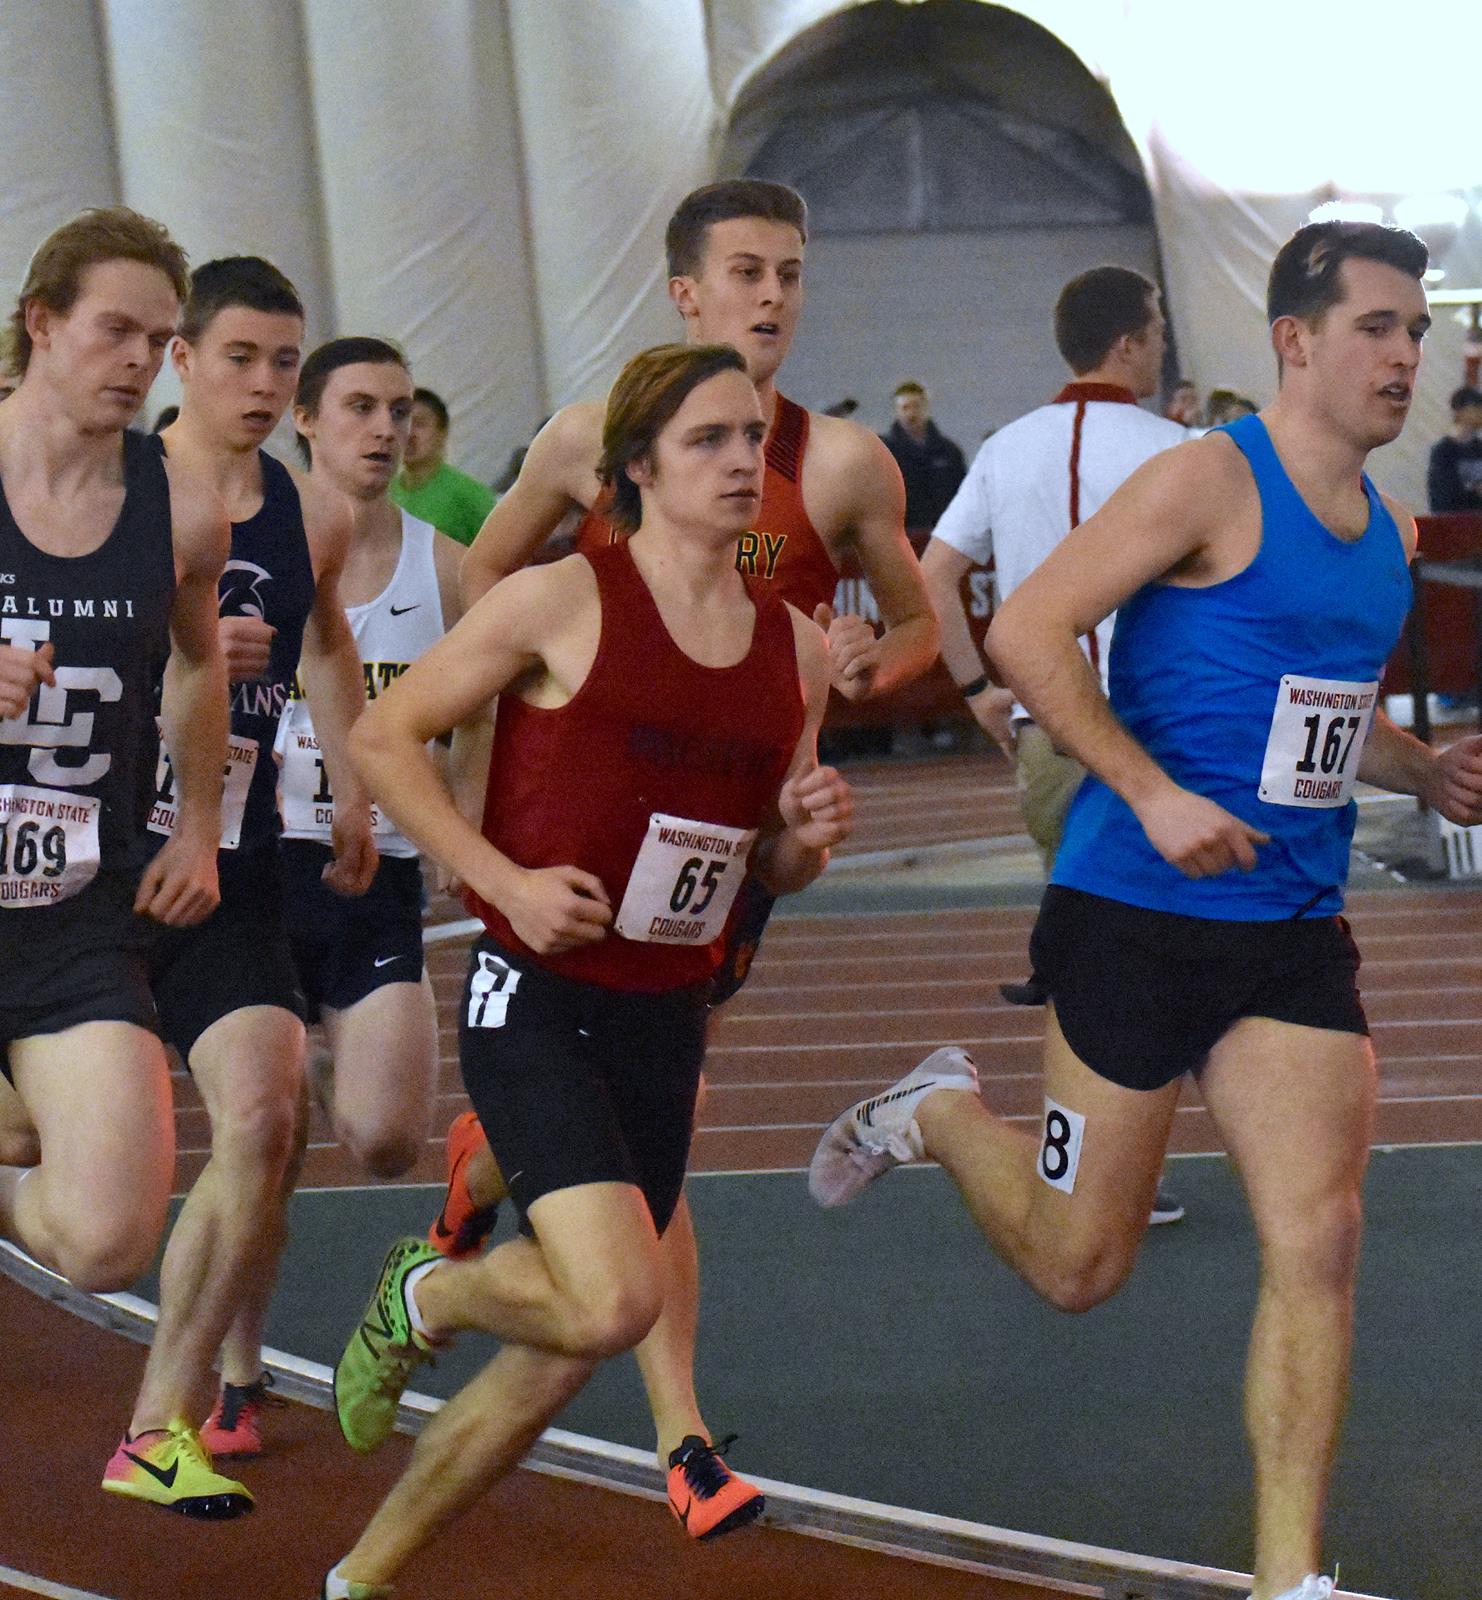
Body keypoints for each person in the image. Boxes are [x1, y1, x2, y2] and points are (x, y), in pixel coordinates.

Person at [811, 220, 1482, 1600]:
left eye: (1417, 330)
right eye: (1375, 326)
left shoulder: (1387, 530)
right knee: (1077, 1268)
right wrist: (1148, 790)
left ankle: (1287, 1576)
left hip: (1289, 927)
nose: (1406, 353)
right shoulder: (1200, 483)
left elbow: (1322, 721)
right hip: (1132, 907)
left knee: (1319, 1236)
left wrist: (1428, 771)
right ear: (1293, 342)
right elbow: (1021, 629)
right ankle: (937, 1110)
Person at [428, 177, 937, 1531]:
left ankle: (483, 1169)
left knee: (637, 1109)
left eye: (791, 270)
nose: (774, 294)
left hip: (725, 839)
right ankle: (682, 1436)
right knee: (663, 1129)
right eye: (747, 272)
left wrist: (849, 680)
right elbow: (483, 582)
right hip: (581, 840)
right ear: (686, 296)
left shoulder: (838, 466)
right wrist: (514, 747)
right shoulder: (593, 438)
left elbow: (916, 620)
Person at [318, 343, 851, 1600]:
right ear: (637, 470)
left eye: (753, 444)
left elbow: (767, 863)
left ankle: (358, 1578)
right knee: (612, 1304)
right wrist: (498, 878)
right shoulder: (561, 600)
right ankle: (431, 1291)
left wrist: (801, 840)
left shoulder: (801, 652)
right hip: (536, 999)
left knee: (562, 1349)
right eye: (709, 440)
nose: (740, 465)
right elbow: (383, 735)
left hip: (668, 1014)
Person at [103, 258, 378, 1518]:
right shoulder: (113, 489)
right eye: (241, 359)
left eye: (285, 362)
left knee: (272, 1116)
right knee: (70, 1185)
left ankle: (162, 1421)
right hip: (90, 867)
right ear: (182, 360)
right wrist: (182, 643)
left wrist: (359, 785)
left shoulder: (311, 510)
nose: (266, 385)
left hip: (236, 859)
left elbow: (327, 642)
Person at [0, 208, 228, 1317]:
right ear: (42, 323)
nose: (140, 361)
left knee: (109, 1236)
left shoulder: (178, 499)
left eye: (159, 339)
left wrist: (195, 824)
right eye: (115, 331)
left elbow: (196, 665)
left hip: (74, 905)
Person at [920, 266, 1186, 1103]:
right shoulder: (1182, 454)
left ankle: (1084, 1154)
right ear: (1128, 342)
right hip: (1156, 734)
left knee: (1080, 945)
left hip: (1047, 735)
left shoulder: (1005, 446)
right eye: (1159, 332)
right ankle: (1124, 1161)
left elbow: (935, 575)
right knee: (1168, 943)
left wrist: (977, 693)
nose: (1164, 348)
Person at [390, 387, 495, 547]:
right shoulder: (384, 493)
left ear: (442, 432)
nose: (409, 433)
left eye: (419, 424)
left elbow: (505, 557)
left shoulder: (468, 495)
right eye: (402, 423)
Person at [880, 380, 967, 533]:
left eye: (916, 406)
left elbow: (963, 496)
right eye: (905, 407)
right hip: (901, 536)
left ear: (926, 408)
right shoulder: (883, 453)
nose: (911, 413)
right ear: (896, 411)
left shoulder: (949, 452)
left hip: (943, 534)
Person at [1426, 383, 1482, 513]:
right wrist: (1475, 492)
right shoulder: (1443, 452)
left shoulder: (1479, 449)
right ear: (1460, 411)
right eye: (1476, 407)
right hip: (1454, 526)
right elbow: (1442, 498)